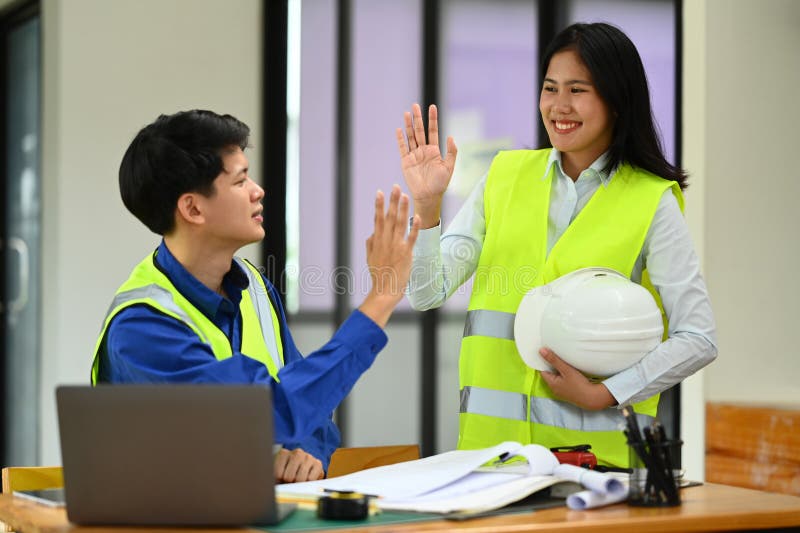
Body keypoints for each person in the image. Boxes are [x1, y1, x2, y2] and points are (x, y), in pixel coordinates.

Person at [396, 22, 717, 467]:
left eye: (578, 90)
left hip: (597, 470)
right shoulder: (504, 176)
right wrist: (428, 207)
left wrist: (605, 393)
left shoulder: (652, 201)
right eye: (550, 88)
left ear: (617, 100)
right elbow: (426, 292)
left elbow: (698, 337)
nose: (559, 106)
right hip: (491, 461)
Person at [92, 110, 420, 482]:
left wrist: (309, 448)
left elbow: (310, 404)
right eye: (240, 180)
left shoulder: (256, 287)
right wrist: (382, 296)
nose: (257, 190)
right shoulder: (142, 327)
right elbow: (273, 409)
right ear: (192, 208)